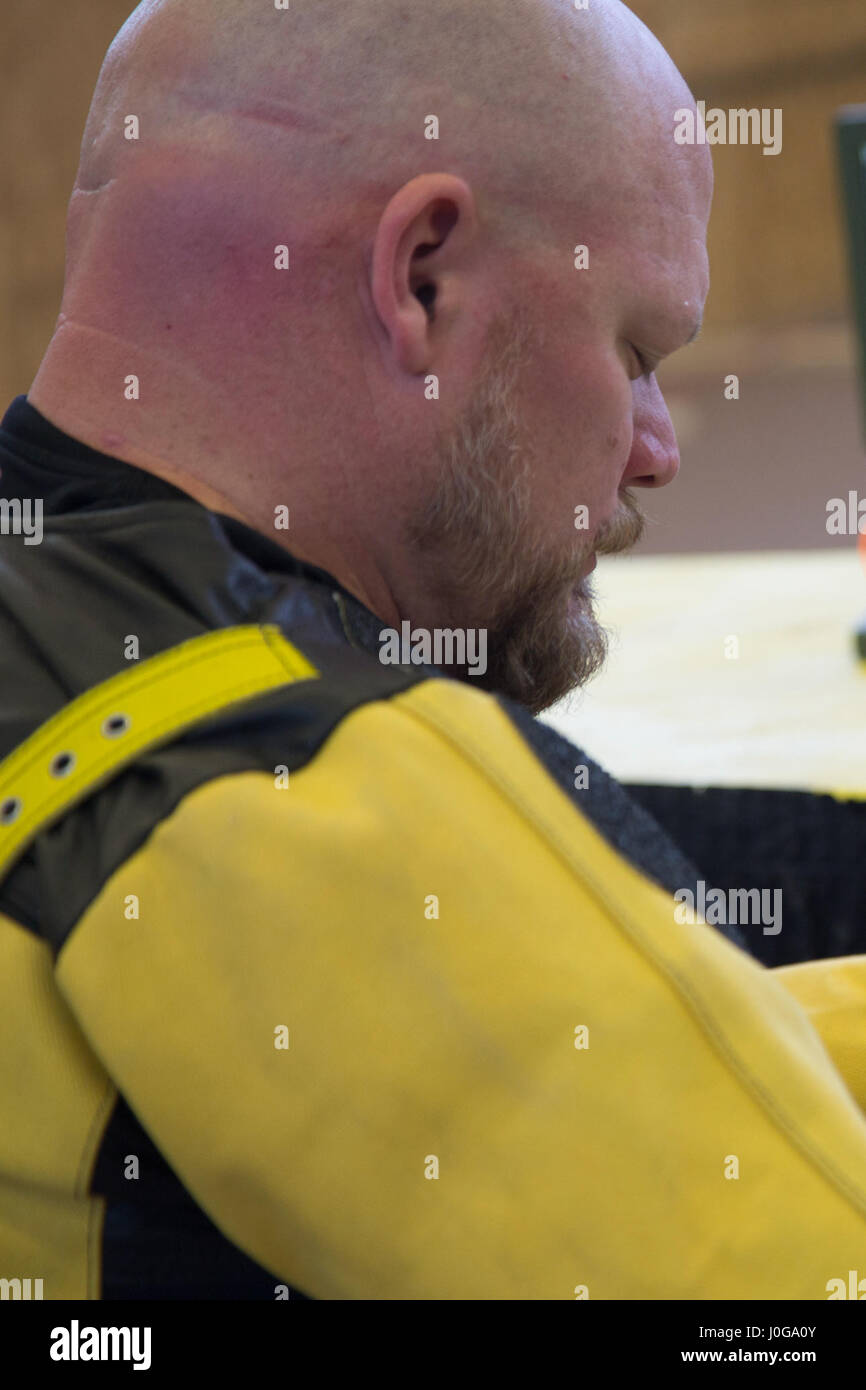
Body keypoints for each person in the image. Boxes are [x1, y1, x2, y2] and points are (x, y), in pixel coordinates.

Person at [1, 0, 864, 1301]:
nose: (656, 448)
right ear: (420, 277)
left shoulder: (81, 635)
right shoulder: (302, 799)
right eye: (634, 351)